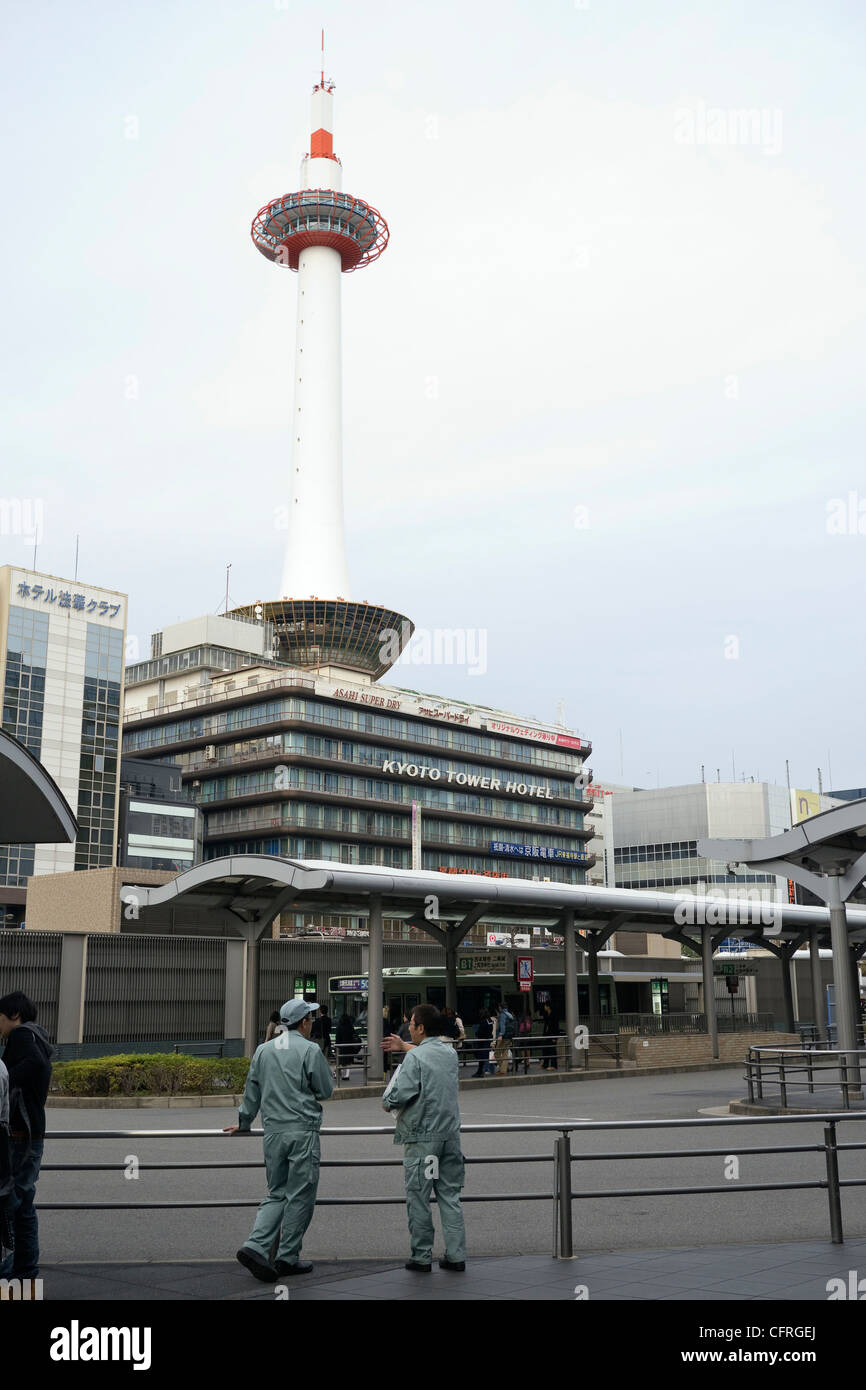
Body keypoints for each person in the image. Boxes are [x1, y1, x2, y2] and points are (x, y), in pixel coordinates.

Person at [224, 998, 333, 1281]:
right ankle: (287, 1257)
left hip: (273, 1132)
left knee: (276, 1192)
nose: (312, 1022)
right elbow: (325, 1090)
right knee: (300, 1196)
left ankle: (255, 1245)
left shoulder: (264, 1050)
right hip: (302, 1130)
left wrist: (244, 1121)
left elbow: (252, 1091)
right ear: (304, 1022)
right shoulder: (310, 1049)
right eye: (311, 1018)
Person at [381, 1004, 466, 1273]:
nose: (408, 1026)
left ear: (421, 1028)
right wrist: (406, 1046)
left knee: (418, 1198)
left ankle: (421, 1256)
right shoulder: (450, 1054)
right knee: (450, 1196)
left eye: (411, 1023)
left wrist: (387, 1101)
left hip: (422, 1137)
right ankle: (456, 1255)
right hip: (450, 1136)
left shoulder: (415, 1059)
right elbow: (429, 1054)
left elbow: (397, 1096)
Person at [0, 991, 55, 1283]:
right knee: (23, 1204)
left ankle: (12, 1270)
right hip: (33, 1132)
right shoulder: (38, 1035)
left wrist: (6, 1076)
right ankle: (25, 1268)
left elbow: (36, 1065)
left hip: (21, 1134)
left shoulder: (22, 1035)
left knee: (9, 1204)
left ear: (14, 1015)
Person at [335, 1012, 361, 1080]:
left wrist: (337, 1045)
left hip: (342, 1047)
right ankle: (347, 1075)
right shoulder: (350, 1026)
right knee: (348, 1062)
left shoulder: (339, 1027)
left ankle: (336, 1073)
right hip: (350, 1046)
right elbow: (354, 1035)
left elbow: (337, 1038)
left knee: (341, 1061)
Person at [495, 1000, 516, 1076]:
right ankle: (503, 1069)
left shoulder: (503, 1015)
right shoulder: (510, 1015)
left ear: (500, 1007)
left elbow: (502, 1026)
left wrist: (500, 1035)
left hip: (503, 1037)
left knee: (497, 1053)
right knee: (505, 1053)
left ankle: (503, 1070)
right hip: (509, 1036)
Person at [471, 1009, 493, 1078]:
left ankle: (480, 1071)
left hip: (482, 1041)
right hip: (488, 1040)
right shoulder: (490, 1020)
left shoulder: (483, 1021)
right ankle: (481, 1071)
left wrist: (477, 1033)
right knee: (486, 1056)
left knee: (481, 1056)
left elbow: (481, 1031)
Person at [539, 1002, 559, 1071]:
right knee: (545, 1050)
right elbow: (546, 1024)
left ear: (548, 1007)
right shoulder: (546, 1014)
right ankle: (545, 1064)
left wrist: (555, 1037)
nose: (544, 1007)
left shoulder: (554, 1014)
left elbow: (556, 1026)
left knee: (552, 1050)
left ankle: (554, 1065)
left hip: (552, 1035)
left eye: (545, 1006)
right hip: (546, 1034)